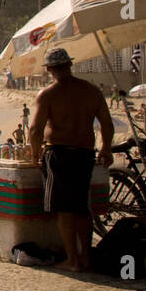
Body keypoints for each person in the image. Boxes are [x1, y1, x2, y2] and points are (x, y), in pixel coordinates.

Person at [27, 49, 113, 273]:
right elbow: (106, 123)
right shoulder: (91, 91)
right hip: (85, 153)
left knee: (64, 209)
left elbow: (36, 128)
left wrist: (35, 153)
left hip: (60, 154)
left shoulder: (48, 94)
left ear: (49, 69)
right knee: (82, 207)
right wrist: (106, 148)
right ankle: (85, 256)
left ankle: (72, 260)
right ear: (69, 65)